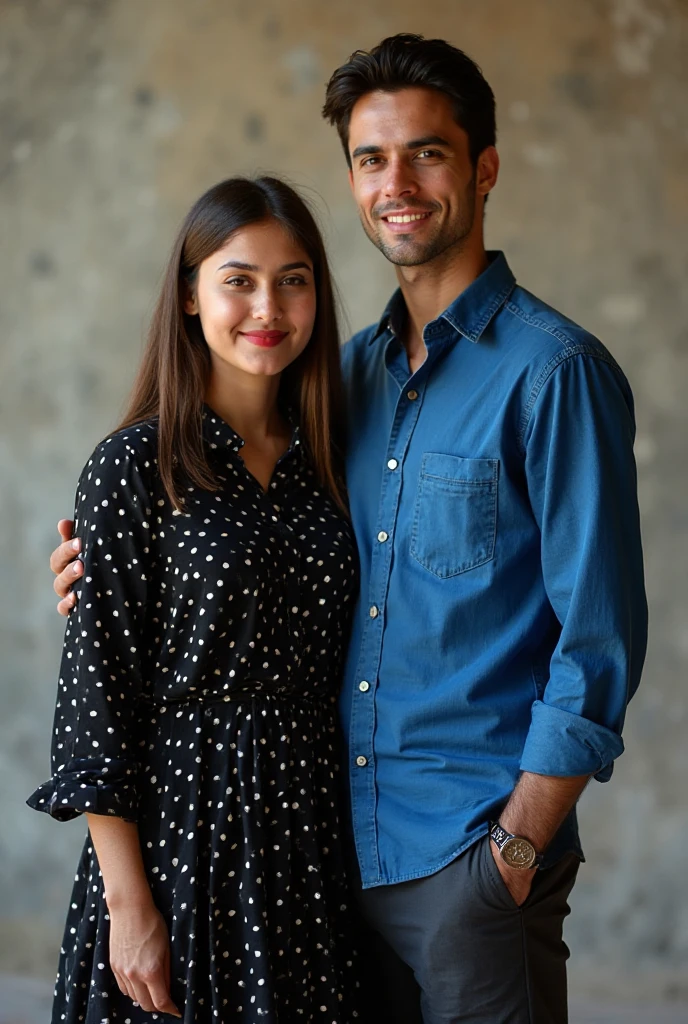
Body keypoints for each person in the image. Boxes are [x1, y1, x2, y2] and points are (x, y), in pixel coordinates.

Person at [49, 33, 648, 1024]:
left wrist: (514, 851)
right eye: (371, 158)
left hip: (466, 861)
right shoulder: (343, 388)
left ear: (484, 167)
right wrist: (103, 573)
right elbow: (206, 588)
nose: (396, 183)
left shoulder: (552, 374)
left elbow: (597, 641)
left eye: (427, 152)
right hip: (322, 866)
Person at [29, 176, 361, 1023]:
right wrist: (128, 905)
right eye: (238, 279)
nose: (269, 306)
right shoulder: (134, 466)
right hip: (185, 831)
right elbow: (98, 698)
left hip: (317, 835)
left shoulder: (336, 461)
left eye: (293, 279)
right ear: (188, 294)